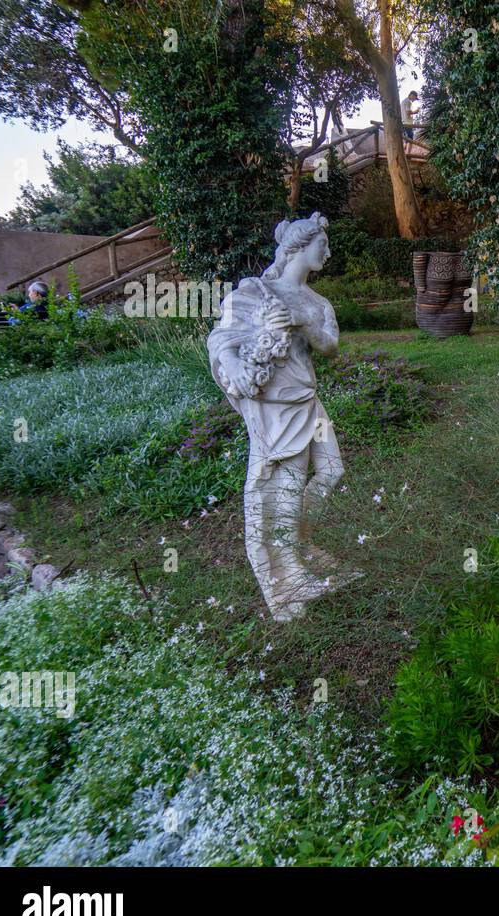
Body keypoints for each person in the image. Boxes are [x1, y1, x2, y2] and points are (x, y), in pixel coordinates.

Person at [207, 211, 354, 621]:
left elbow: (330, 348)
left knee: (332, 472)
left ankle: (300, 543)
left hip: (309, 400)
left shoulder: (318, 303)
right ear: (300, 247)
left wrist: (302, 322)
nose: (327, 252)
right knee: (284, 490)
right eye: (322, 245)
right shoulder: (256, 291)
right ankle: (286, 576)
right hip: (277, 408)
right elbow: (222, 337)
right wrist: (234, 366)